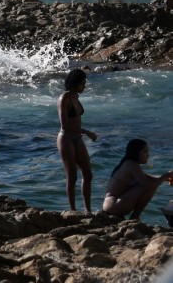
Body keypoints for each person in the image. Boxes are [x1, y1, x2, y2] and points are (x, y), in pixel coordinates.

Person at [58, 69, 99, 212]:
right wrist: (87, 132)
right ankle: (73, 210)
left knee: (88, 174)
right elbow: (65, 124)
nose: (84, 87)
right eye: (82, 84)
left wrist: (83, 133)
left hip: (77, 138)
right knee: (72, 176)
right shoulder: (65, 98)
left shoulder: (76, 96)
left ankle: (88, 211)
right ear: (75, 83)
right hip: (66, 138)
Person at [101, 139, 173, 220]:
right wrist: (165, 176)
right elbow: (148, 184)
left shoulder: (128, 163)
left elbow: (147, 177)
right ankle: (135, 216)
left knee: (152, 183)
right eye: (145, 152)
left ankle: (135, 216)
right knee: (150, 186)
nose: (148, 155)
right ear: (136, 152)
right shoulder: (131, 164)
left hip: (111, 206)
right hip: (114, 205)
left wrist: (167, 178)